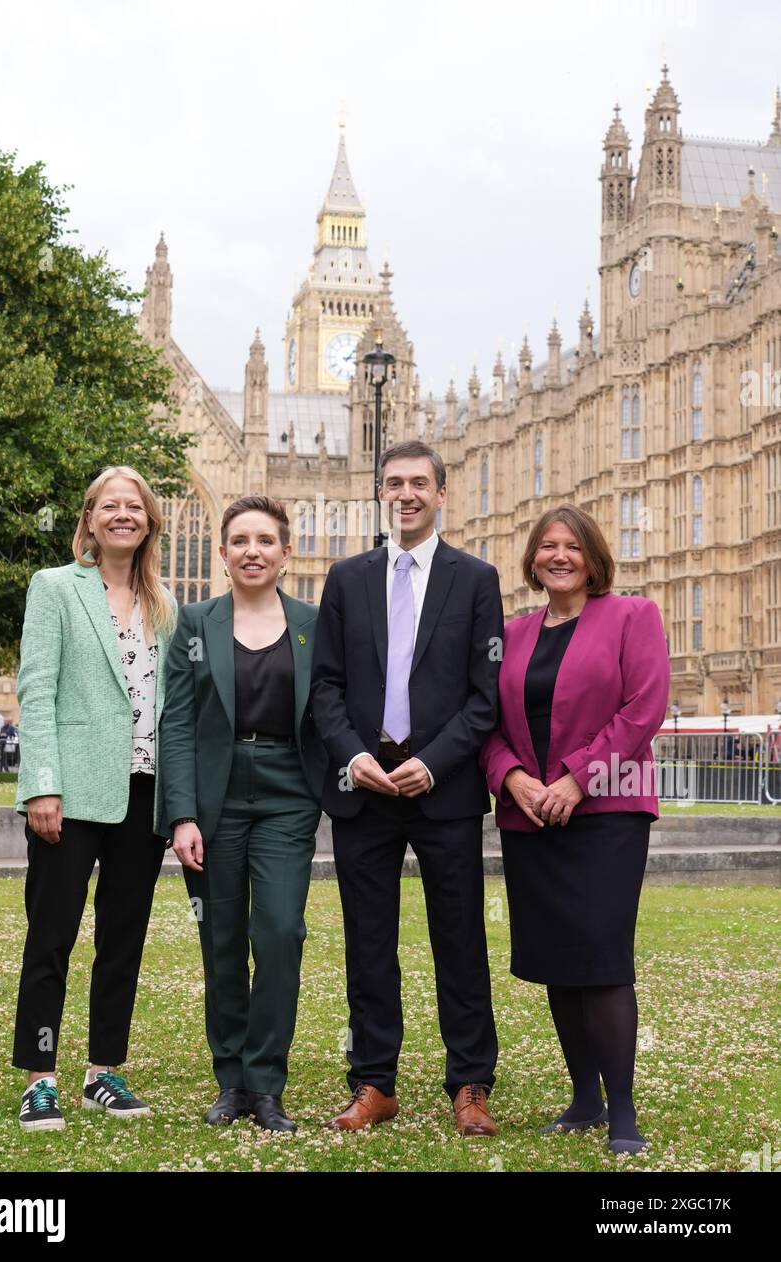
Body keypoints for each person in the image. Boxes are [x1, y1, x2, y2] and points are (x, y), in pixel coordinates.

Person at [311, 440, 503, 1137]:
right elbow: (325, 686)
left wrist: (439, 761)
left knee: (459, 940)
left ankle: (470, 1084)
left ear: (440, 493)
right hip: (365, 789)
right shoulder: (346, 578)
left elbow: (485, 699)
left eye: (419, 483)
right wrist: (352, 754)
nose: (406, 494)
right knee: (368, 942)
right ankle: (373, 1083)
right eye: (394, 483)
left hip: (441, 789)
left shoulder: (475, 580)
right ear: (381, 494)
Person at [479, 505, 669, 1156]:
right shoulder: (510, 634)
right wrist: (511, 778)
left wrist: (575, 778)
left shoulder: (631, 616)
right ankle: (582, 1099)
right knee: (557, 960)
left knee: (601, 957)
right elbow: (486, 723)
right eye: (546, 547)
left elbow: (642, 708)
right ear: (532, 559)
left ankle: (621, 1111)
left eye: (571, 547)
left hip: (605, 811)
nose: (558, 556)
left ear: (592, 557)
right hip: (529, 814)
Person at [12, 466, 176, 1130]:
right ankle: (40, 1078)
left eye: (133, 506)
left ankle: (103, 1072)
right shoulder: (55, 588)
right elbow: (36, 689)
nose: (122, 515)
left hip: (144, 795)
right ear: (89, 518)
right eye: (109, 505)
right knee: (51, 936)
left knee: (123, 939)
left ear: (149, 521)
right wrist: (42, 785)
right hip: (71, 792)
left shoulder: (164, 604)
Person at [159, 495, 326, 1133]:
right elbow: (176, 722)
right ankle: (231, 1080)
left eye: (265, 540)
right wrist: (181, 815)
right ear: (223, 553)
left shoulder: (313, 622)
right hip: (215, 796)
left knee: (281, 932)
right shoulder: (196, 623)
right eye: (239, 541)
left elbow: (333, 707)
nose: (252, 551)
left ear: (285, 552)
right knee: (220, 940)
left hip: (289, 791)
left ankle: (267, 1083)